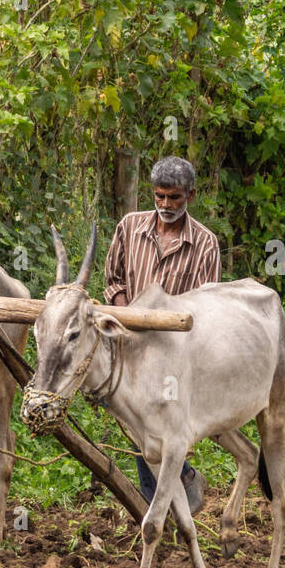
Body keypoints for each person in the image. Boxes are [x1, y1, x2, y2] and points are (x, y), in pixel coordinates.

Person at [101, 155, 221, 515]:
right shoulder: (129, 227)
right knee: (136, 421)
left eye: (175, 198)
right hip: (130, 340)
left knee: (157, 423)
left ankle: (157, 500)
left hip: (176, 351)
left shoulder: (205, 243)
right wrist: (128, 318)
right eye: (159, 197)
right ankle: (178, 485)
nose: (166, 205)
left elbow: (206, 304)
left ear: (191, 196)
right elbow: (114, 281)